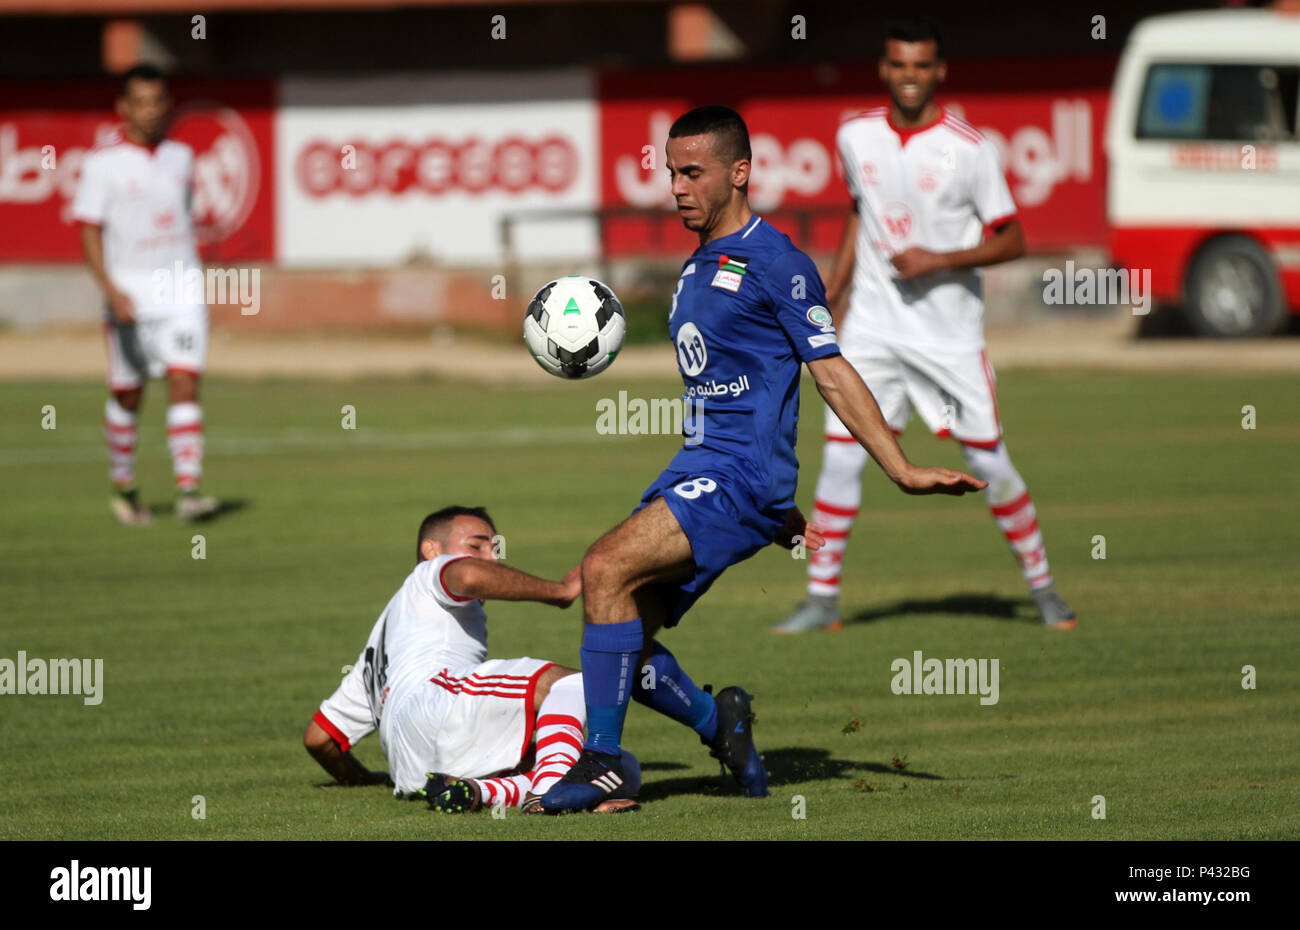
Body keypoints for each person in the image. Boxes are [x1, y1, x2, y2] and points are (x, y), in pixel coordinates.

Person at [539, 105, 985, 813]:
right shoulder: (698, 266)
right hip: (705, 471)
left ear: (739, 172)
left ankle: (605, 767)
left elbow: (828, 369)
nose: (677, 187)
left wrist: (899, 468)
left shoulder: (777, 263)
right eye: (671, 172)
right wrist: (779, 507)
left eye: (693, 172)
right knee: (617, 622)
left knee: (602, 568)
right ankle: (726, 726)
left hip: (736, 480)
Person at [776, 17, 1078, 634]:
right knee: (840, 458)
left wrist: (938, 259)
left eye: (921, 66)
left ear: (939, 71)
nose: (909, 77)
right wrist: (835, 291)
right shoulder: (854, 136)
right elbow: (862, 211)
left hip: (948, 338)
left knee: (990, 465)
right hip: (873, 330)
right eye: (899, 65)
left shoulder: (971, 149)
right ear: (884, 69)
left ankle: (1043, 587)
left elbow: (1014, 240)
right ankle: (822, 598)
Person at [303, 506, 638, 813]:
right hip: (436, 701)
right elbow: (468, 576)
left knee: (624, 769)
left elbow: (320, 739)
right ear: (431, 550)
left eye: (494, 548)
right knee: (574, 684)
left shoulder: (382, 648)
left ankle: (484, 791)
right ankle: (548, 792)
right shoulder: (428, 573)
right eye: (476, 546)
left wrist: (365, 779)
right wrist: (560, 592)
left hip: (412, 769)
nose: (490, 558)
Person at [71, 64, 218, 524]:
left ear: (168, 105)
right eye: (141, 102)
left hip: (181, 287)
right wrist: (110, 289)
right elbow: (89, 231)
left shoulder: (182, 156)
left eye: (158, 101)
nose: (150, 111)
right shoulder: (101, 164)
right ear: (123, 107)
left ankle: (188, 491)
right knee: (129, 393)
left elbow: (183, 217)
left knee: (184, 379)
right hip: (130, 294)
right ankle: (125, 487)